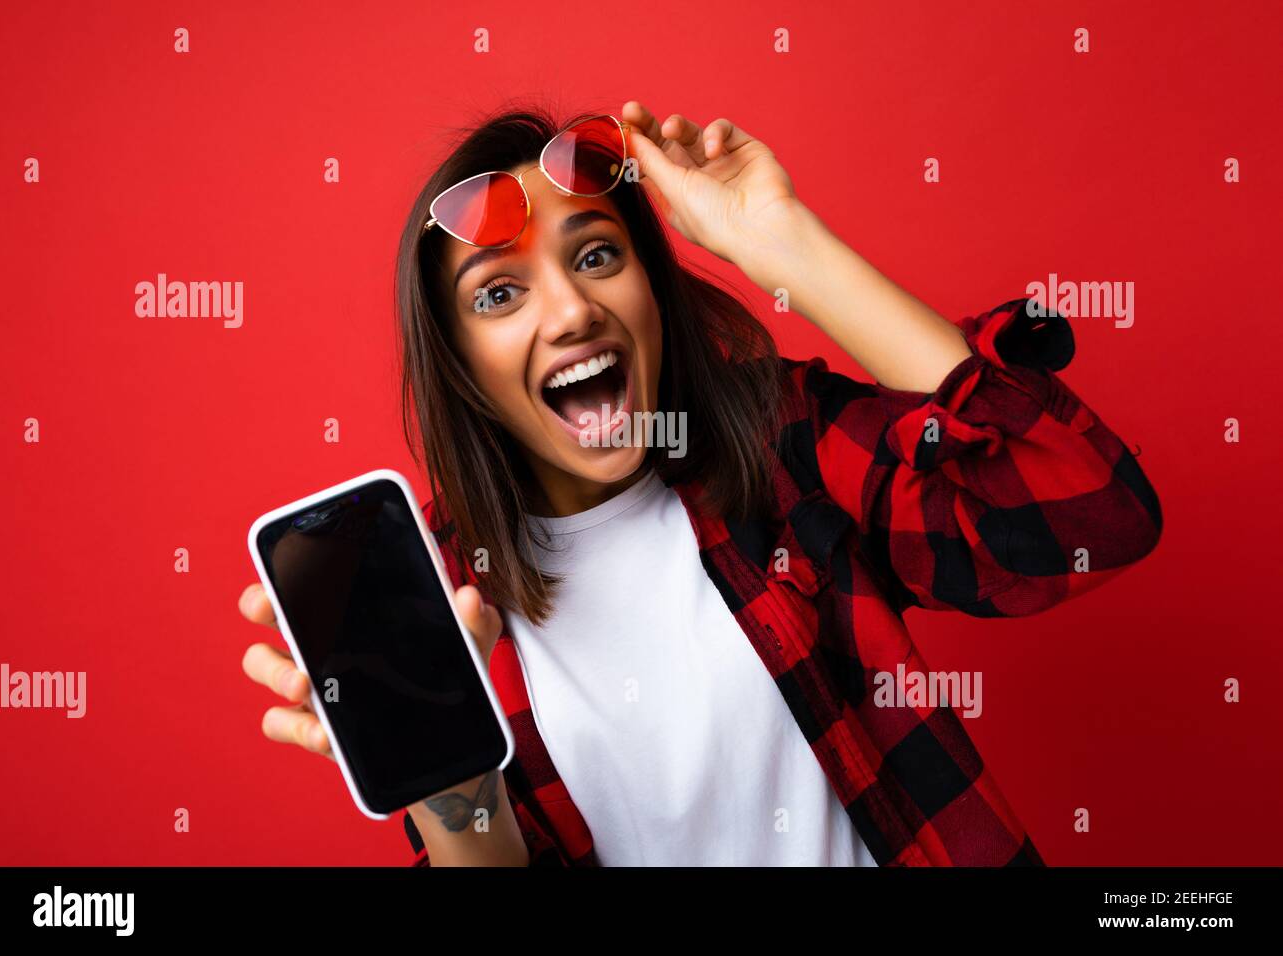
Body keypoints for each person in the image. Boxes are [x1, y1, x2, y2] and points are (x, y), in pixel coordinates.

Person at [239, 99, 1162, 866]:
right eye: (498, 293)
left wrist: (783, 245)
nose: (571, 310)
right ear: (459, 364)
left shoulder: (780, 448)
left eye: (596, 254)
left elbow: (1090, 511)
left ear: (651, 286)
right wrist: (455, 794)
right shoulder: (444, 599)